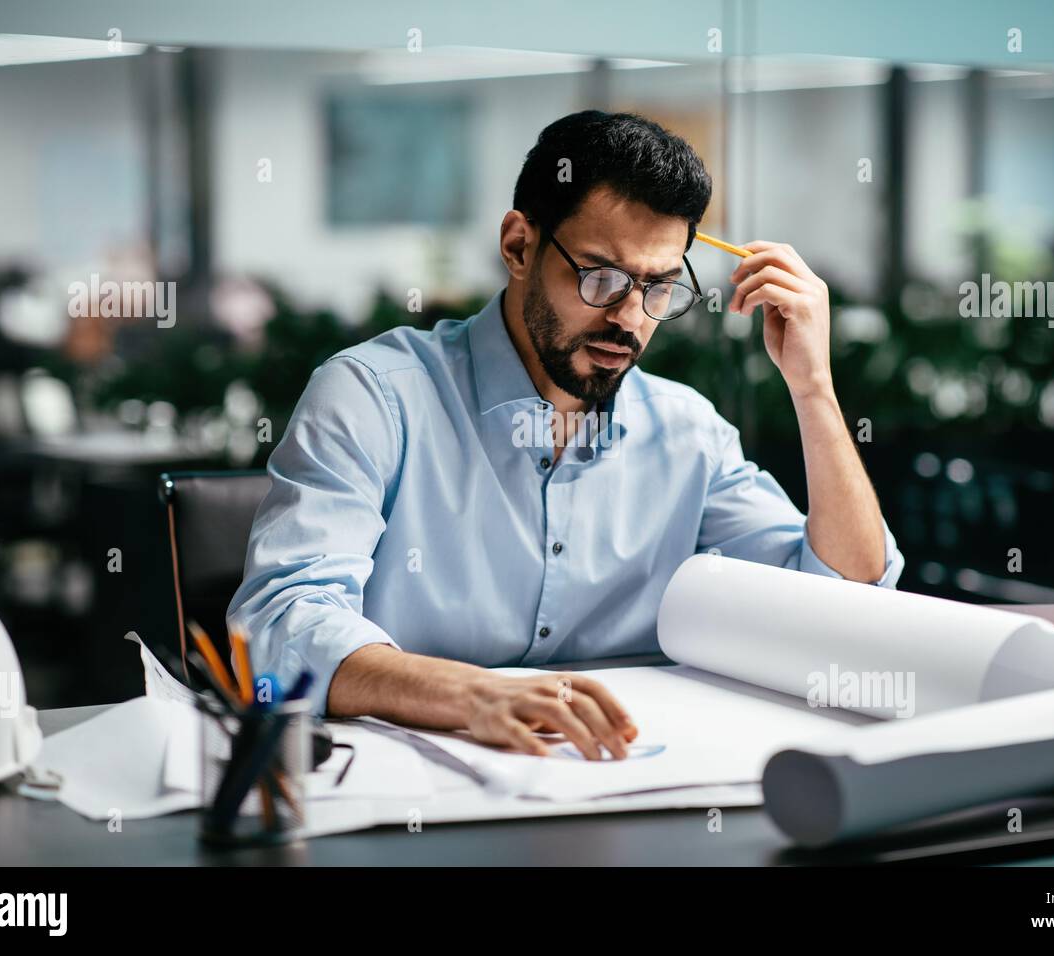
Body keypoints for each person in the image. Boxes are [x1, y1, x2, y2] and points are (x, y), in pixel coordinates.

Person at [228, 110, 904, 760]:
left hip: (627, 788)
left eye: (658, 286)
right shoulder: (376, 397)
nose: (630, 318)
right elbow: (280, 627)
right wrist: (474, 694)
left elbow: (840, 604)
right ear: (519, 245)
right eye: (601, 277)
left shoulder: (686, 432)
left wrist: (813, 387)